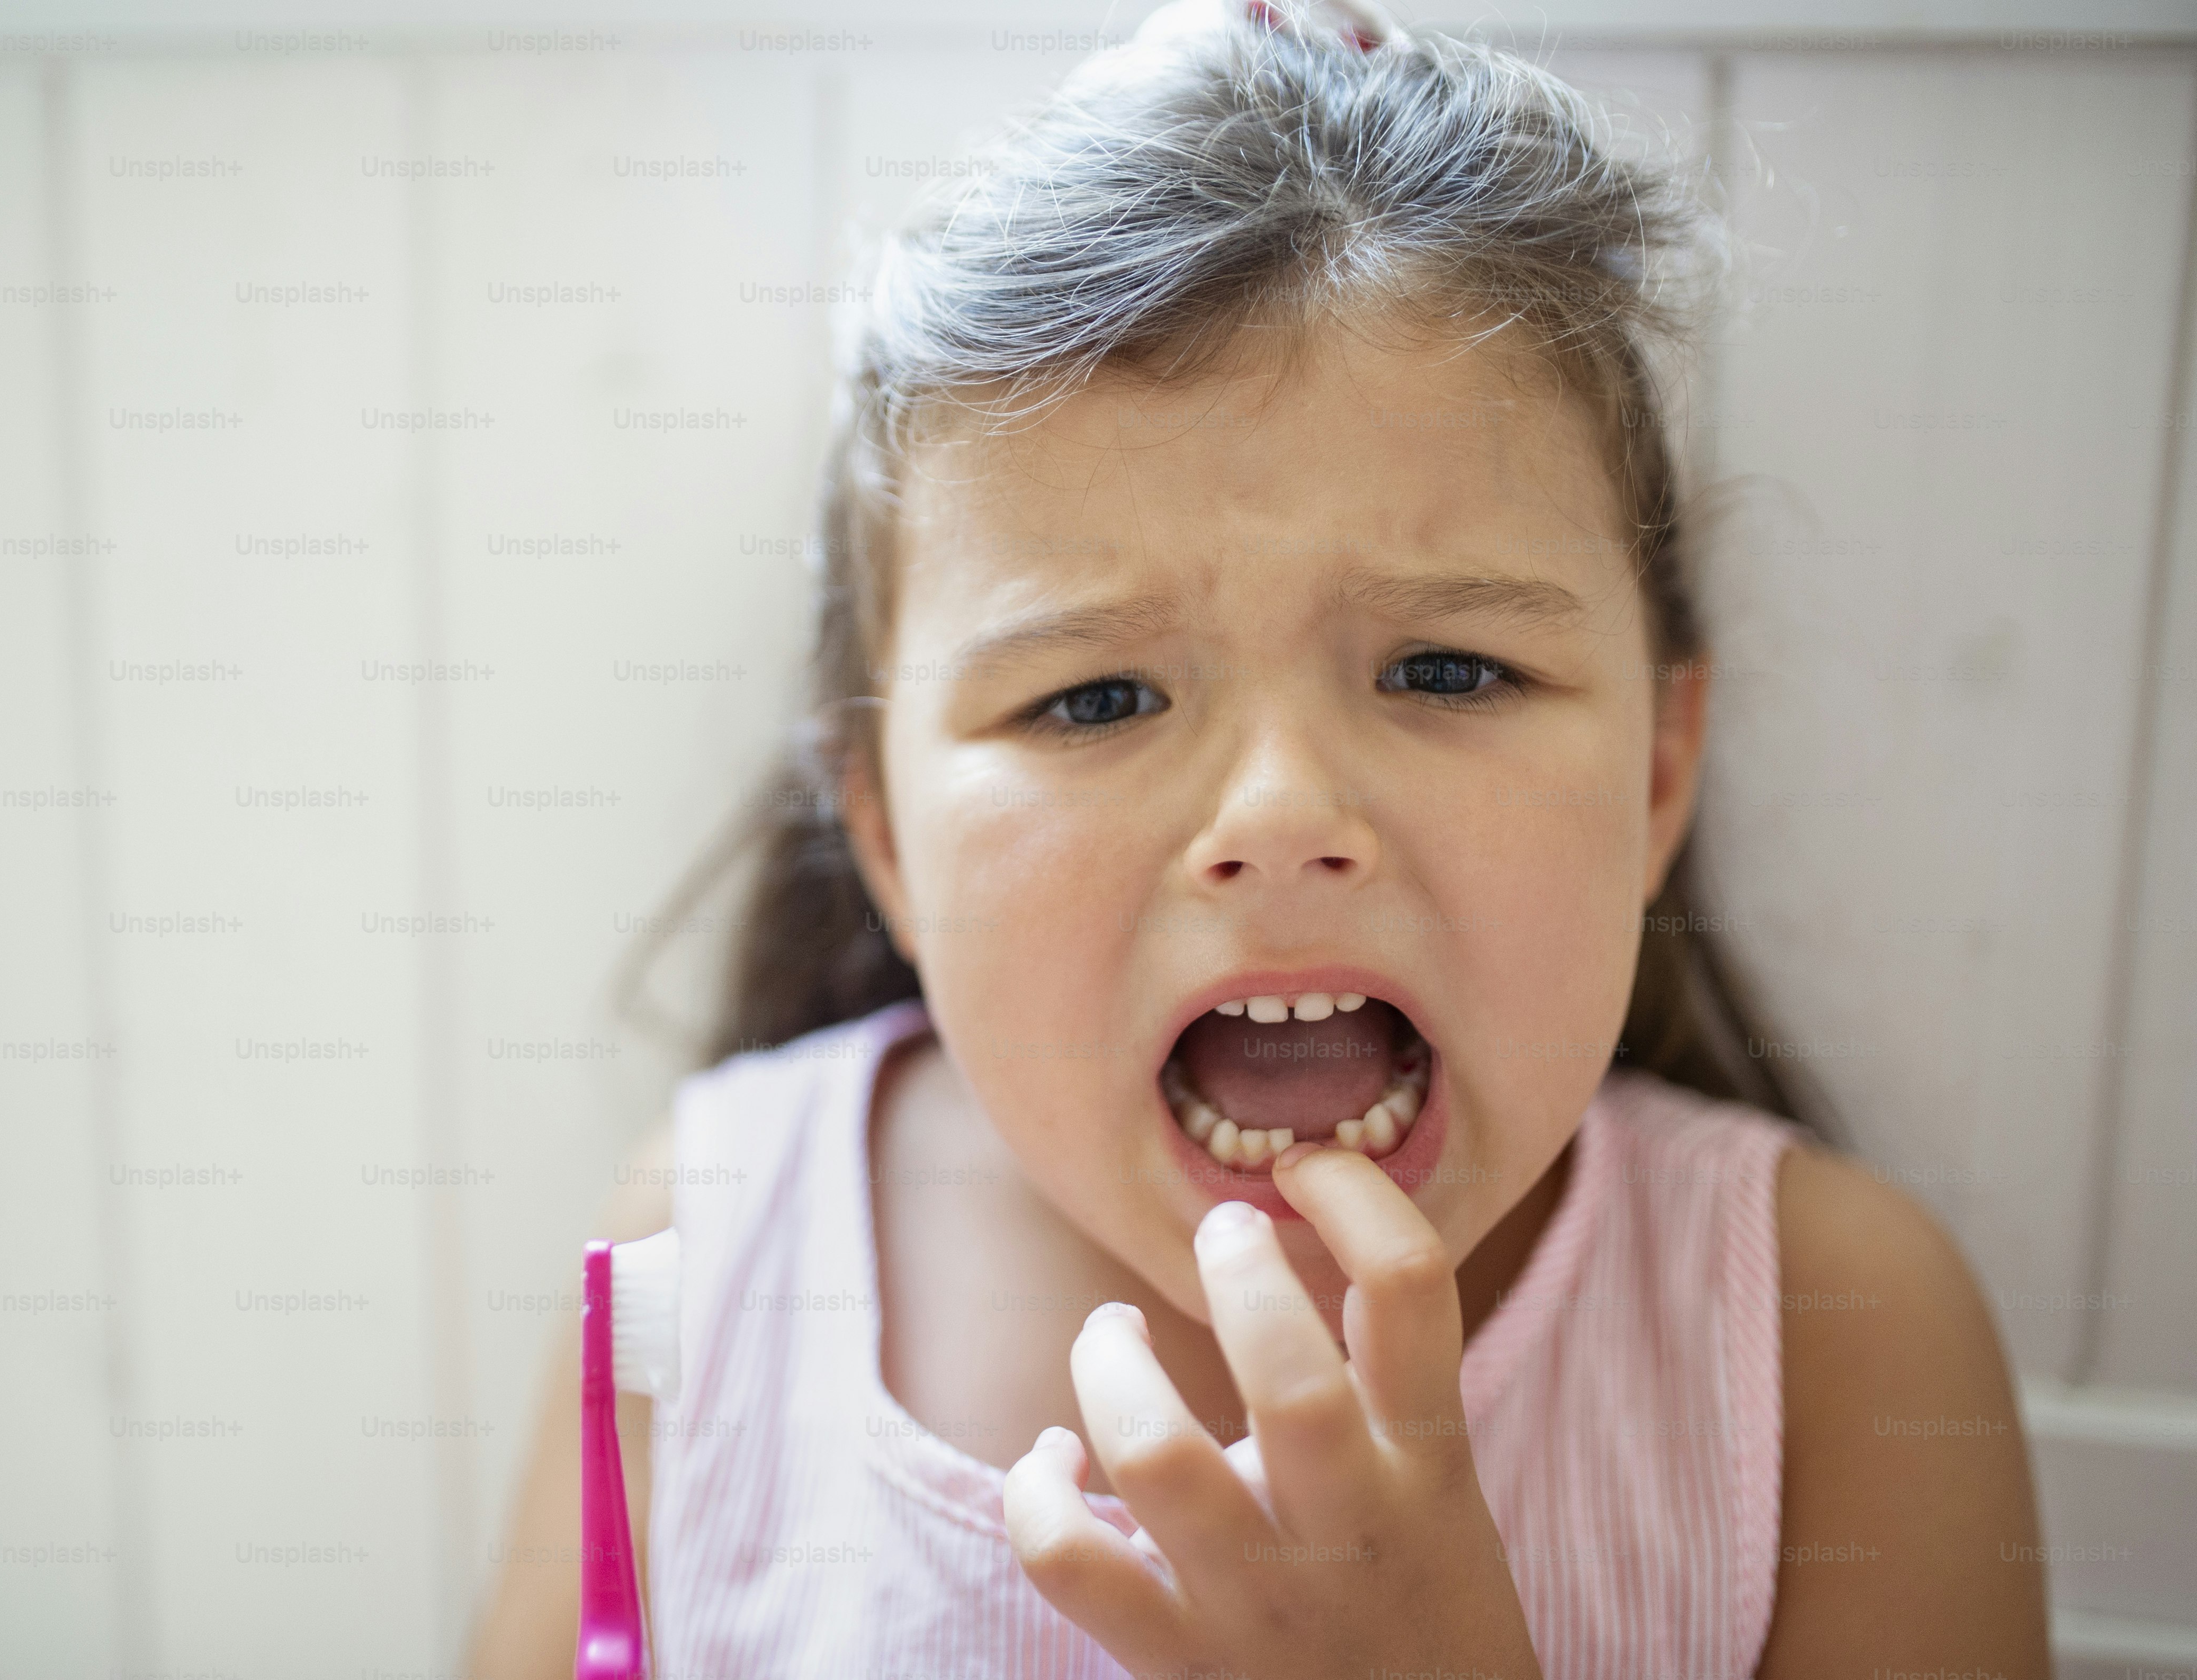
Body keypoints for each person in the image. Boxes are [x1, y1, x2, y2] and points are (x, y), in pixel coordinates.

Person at [475, 0, 2050, 1672]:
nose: (1283, 814)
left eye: (1448, 668)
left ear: (1660, 774)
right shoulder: (709, 1241)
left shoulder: (1837, 1337)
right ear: (883, 839)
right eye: (1091, 701)